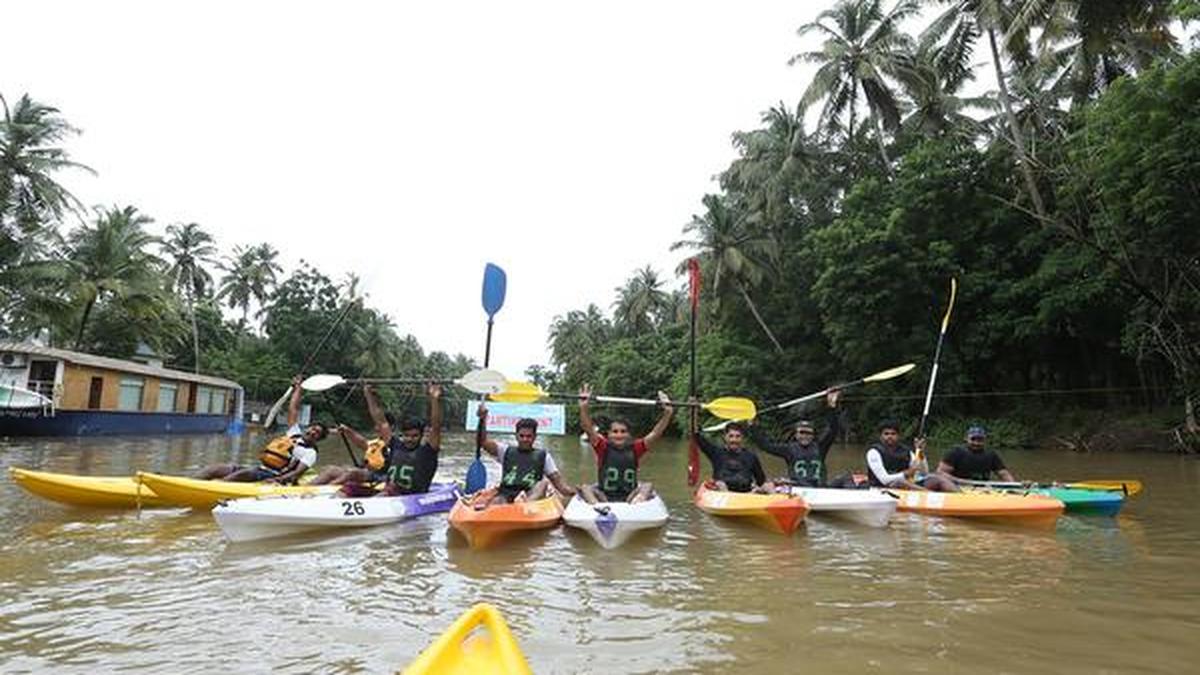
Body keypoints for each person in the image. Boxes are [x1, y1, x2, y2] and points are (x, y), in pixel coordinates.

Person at [196, 376, 326, 483]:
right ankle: (188, 482)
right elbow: (293, 409)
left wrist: (278, 480)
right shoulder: (294, 434)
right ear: (308, 428)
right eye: (313, 428)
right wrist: (298, 388)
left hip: (273, 475)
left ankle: (217, 487)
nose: (313, 432)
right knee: (215, 469)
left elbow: (297, 473)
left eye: (317, 433)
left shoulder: (310, 453)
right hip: (259, 469)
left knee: (243, 474)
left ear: (318, 439)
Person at [576, 383, 673, 504]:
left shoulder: (636, 448)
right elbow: (588, 429)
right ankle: (598, 507)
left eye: (623, 432)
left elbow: (655, 434)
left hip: (629, 498)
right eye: (615, 432)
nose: (619, 435)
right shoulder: (603, 446)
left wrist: (667, 413)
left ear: (629, 435)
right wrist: (583, 407)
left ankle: (637, 504)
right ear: (609, 435)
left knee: (647, 485)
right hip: (604, 498)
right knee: (585, 487)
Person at [470, 403, 576, 507]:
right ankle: (509, 506)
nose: (525, 439)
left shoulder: (544, 456)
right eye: (522, 436)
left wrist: (577, 492)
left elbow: (562, 487)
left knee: (543, 483)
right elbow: (482, 442)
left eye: (529, 436)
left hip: (530, 495)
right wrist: (482, 419)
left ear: (534, 437)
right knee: (497, 500)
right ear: (516, 436)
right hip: (506, 494)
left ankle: (523, 504)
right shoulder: (505, 451)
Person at [746, 390, 841, 487]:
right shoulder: (789, 449)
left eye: (808, 433)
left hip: (819, 488)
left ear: (813, 435)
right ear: (796, 435)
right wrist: (752, 426)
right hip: (798, 489)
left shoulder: (820, 447)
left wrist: (831, 406)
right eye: (802, 432)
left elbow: (833, 429)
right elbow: (765, 445)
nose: (805, 436)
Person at [865, 420, 957, 492]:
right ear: (881, 436)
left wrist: (920, 451)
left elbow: (924, 472)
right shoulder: (874, 452)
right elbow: (884, 480)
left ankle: (962, 496)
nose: (890, 436)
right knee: (900, 482)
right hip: (883, 488)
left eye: (893, 434)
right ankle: (933, 496)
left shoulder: (906, 452)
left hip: (908, 485)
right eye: (886, 434)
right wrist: (907, 473)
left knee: (936, 478)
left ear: (898, 436)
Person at [694, 421, 773, 493]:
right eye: (731, 436)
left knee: (769, 486)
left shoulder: (751, 457)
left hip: (746, 494)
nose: (734, 440)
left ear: (742, 438)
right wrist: (695, 418)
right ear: (725, 437)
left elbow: (761, 481)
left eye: (737, 436)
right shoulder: (715, 452)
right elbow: (697, 437)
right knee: (721, 484)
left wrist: (769, 489)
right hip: (722, 492)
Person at [936, 426, 1016, 483]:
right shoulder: (956, 452)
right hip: (957, 486)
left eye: (980, 440)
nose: (976, 443)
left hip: (982, 489)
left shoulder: (991, 454)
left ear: (984, 440)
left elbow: (1004, 474)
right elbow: (940, 473)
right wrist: (961, 481)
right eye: (973, 439)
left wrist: (1015, 485)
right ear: (966, 439)